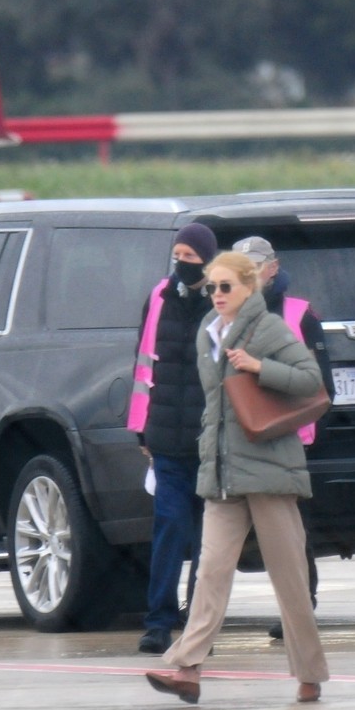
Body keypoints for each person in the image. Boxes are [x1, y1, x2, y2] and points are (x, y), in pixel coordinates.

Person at [145, 252, 329, 705]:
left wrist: (259, 367)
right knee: (210, 571)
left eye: (226, 286)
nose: (218, 295)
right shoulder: (208, 331)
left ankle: (309, 673)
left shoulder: (269, 329)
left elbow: (311, 379)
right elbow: (215, 405)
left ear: (250, 287)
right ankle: (187, 669)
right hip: (223, 473)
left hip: (267, 472)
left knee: (289, 578)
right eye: (212, 287)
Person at [129, 222, 217, 655]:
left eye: (190, 256)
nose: (181, 263)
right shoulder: (159, 298)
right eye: (177, 255)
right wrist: (141, 428)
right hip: (166, 440)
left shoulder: (221, 299)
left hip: (210, 442)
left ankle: (199, 625)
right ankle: (159, 621)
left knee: (209, 541)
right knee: (170, 529)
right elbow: (144, 365)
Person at [232, 236, 327, 637]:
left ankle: (300, 607)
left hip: (293, 439)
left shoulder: (299, 313)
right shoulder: (226, 313)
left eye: (255, 266)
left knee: (291, 531)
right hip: (242, 437)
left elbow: (321, 383)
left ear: (273, 267)